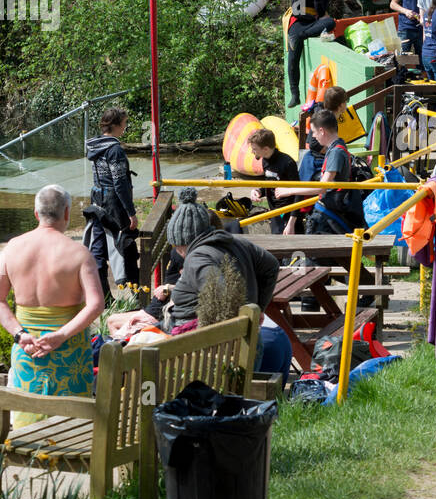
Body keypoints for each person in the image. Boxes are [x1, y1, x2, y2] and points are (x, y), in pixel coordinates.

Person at [0, 184, 105, 427]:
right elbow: (96, 305)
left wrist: (19, 334)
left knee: (26, 422)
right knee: (71, 425)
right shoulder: (79, 254)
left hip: (27, 349)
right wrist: (61, 335)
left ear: (36, 214)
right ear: (67, 214)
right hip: (69, 350)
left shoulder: (12, 248)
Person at [153, 188, 281, 332]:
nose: (176, 250)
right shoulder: (237, 242)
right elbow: (272, 265)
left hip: (194, 342)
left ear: (183, 239)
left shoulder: (198, 258)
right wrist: (258, 307)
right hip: (238, 337)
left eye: (175, 245)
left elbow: (223, 296)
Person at [84, 106, 139, 298]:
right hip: (113, 202)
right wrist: (131, 212)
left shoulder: (95, 146)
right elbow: (120, 183)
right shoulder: (114, 149)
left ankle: (103, 297)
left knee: (98, 249)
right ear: (115, 125)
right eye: (123, 124)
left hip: (97, 199)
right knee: (125, 244)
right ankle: (135, 292)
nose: (125, 128)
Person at [286, 0, 337, 108]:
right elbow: (297, 12)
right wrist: (313, 18)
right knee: (293, 54)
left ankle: (302, 35)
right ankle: (294, 93)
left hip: (314, 22)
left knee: (330, 22)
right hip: (300, 22)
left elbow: (321, 13)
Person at [249, 127, 301, 234]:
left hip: (289, 214)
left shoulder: (288, 163)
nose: (252, 152)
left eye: (255, 149)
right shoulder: (265, 161)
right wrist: (259, 191)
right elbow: (270, 184)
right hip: (275, 213)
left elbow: (299, 194)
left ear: (266, 149)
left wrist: (291, 222)